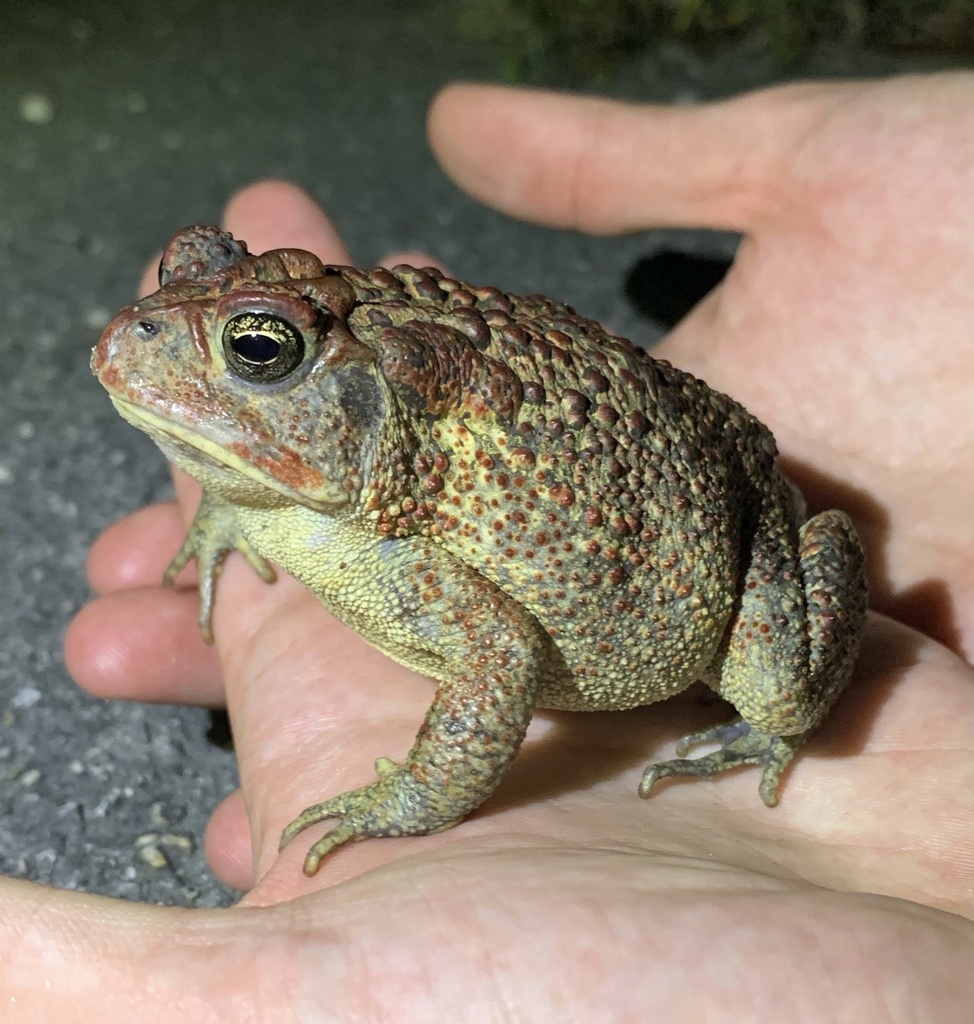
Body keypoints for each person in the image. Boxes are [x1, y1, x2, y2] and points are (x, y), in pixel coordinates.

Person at [2, 72, 971, 1020]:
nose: (153, 327)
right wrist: (229, 498)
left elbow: (495, 654)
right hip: (572, 421)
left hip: (711, 540)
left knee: (778, 689)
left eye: (254, 351)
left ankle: (775, 710)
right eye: (185, 275)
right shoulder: (334, 474)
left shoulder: (404, 517)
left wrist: (419, 794)